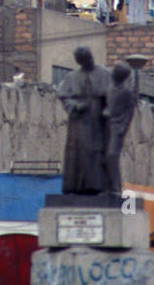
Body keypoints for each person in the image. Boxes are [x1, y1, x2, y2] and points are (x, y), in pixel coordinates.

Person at [57, 47, 111, 194]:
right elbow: (63, 95)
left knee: (96, 153)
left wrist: (106, 112)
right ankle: (74, 187)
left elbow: (111, 97)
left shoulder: (104, 74)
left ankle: (97, 186)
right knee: (77, 154)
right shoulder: (71, 77)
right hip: (78, 121)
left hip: (97, 120)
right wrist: (75, 106)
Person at [104, 62, 136, 194]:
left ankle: (116, 188)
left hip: (117, 128)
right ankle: (105, 187)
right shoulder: (108, 90)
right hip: (105, 126)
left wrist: (123, 127)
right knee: (102, 157)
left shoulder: (127, 93)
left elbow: (130, 112)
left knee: (112, 156)